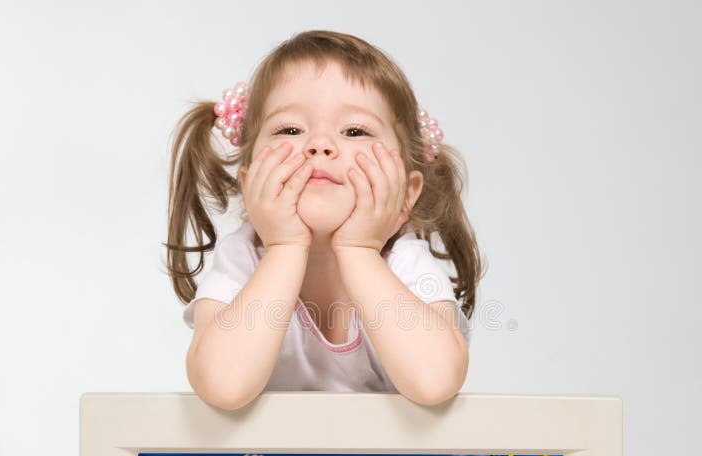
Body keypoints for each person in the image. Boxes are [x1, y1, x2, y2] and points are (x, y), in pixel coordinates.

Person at [164, 30, 485, 410]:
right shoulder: (243, 260)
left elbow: (435, 382)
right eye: (290, 130)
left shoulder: (406, 265)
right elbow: (223, 386)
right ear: (250, 185)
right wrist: (283, 248)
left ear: (407, 191)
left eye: (354, 131)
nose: (319, 144)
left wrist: (359, 251)